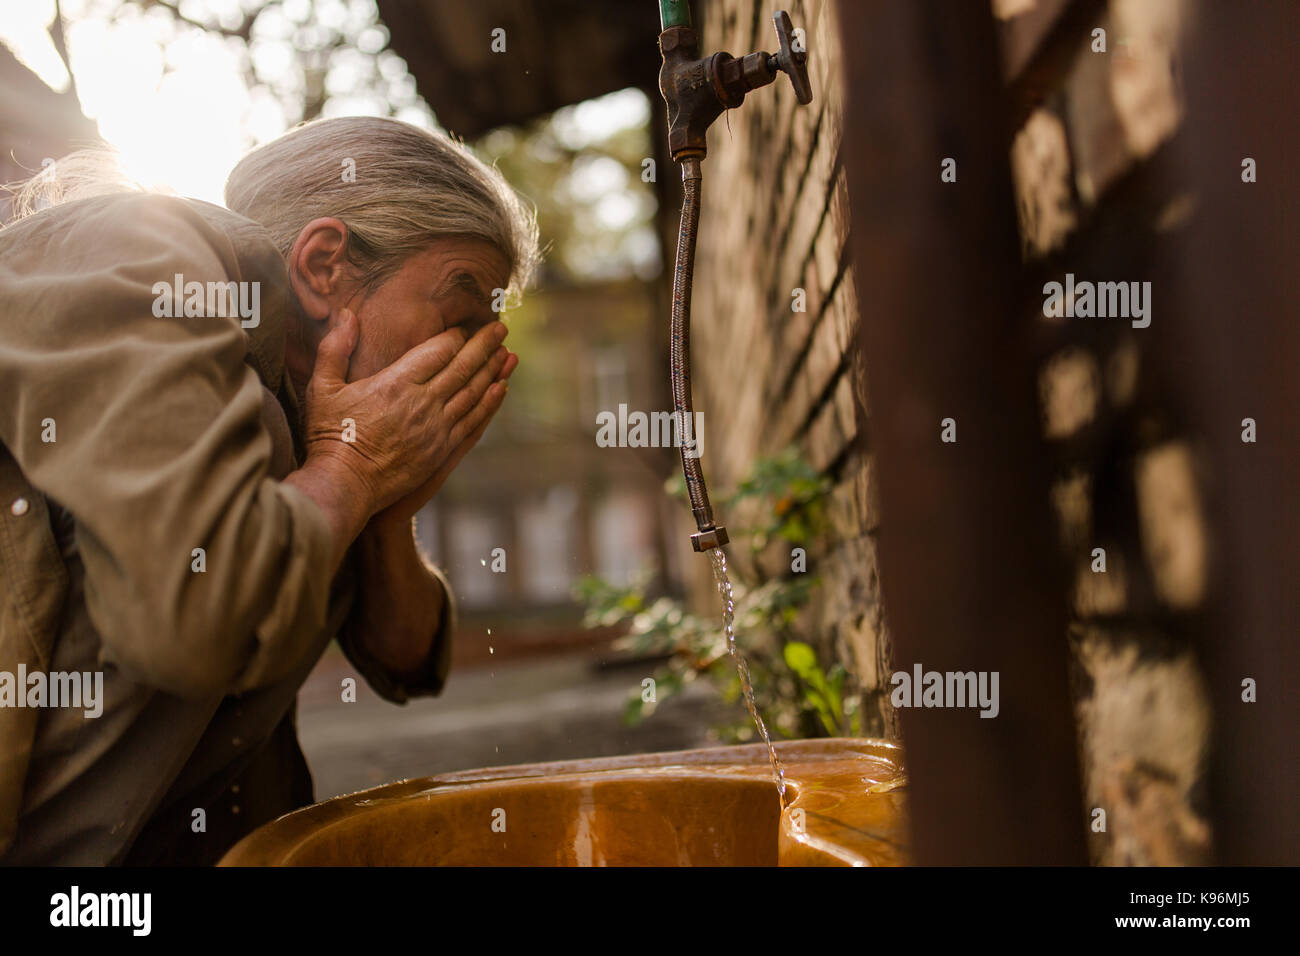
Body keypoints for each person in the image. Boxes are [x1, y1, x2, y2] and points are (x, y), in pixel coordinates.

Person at [0, 116, 538, 864]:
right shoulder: (142, 252)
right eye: (459, 315)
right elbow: (193, 615)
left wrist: (386, 501)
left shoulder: (313, 411)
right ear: (324, 267)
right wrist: (352, 470)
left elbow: (408, 664)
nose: (474, 356)